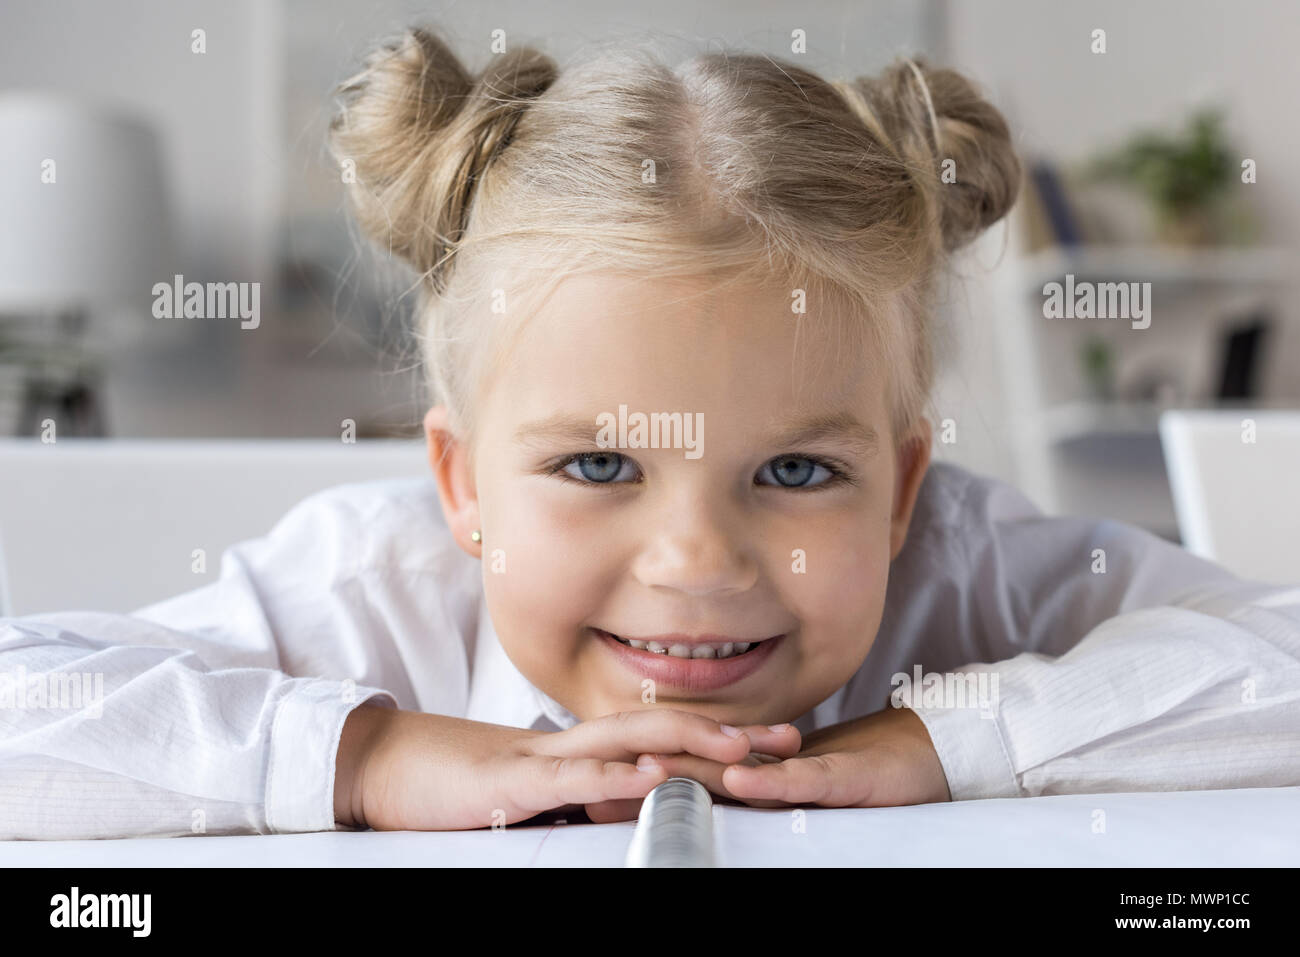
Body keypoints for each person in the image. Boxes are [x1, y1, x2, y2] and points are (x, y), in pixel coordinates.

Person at [2, 28, 1296, 840]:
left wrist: (954, 736)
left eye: (797, 469)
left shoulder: (970, 567)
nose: (695, 560)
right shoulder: (371, 593)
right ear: (461, 484)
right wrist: (365, 754)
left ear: (902, 490)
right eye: (598, 463)